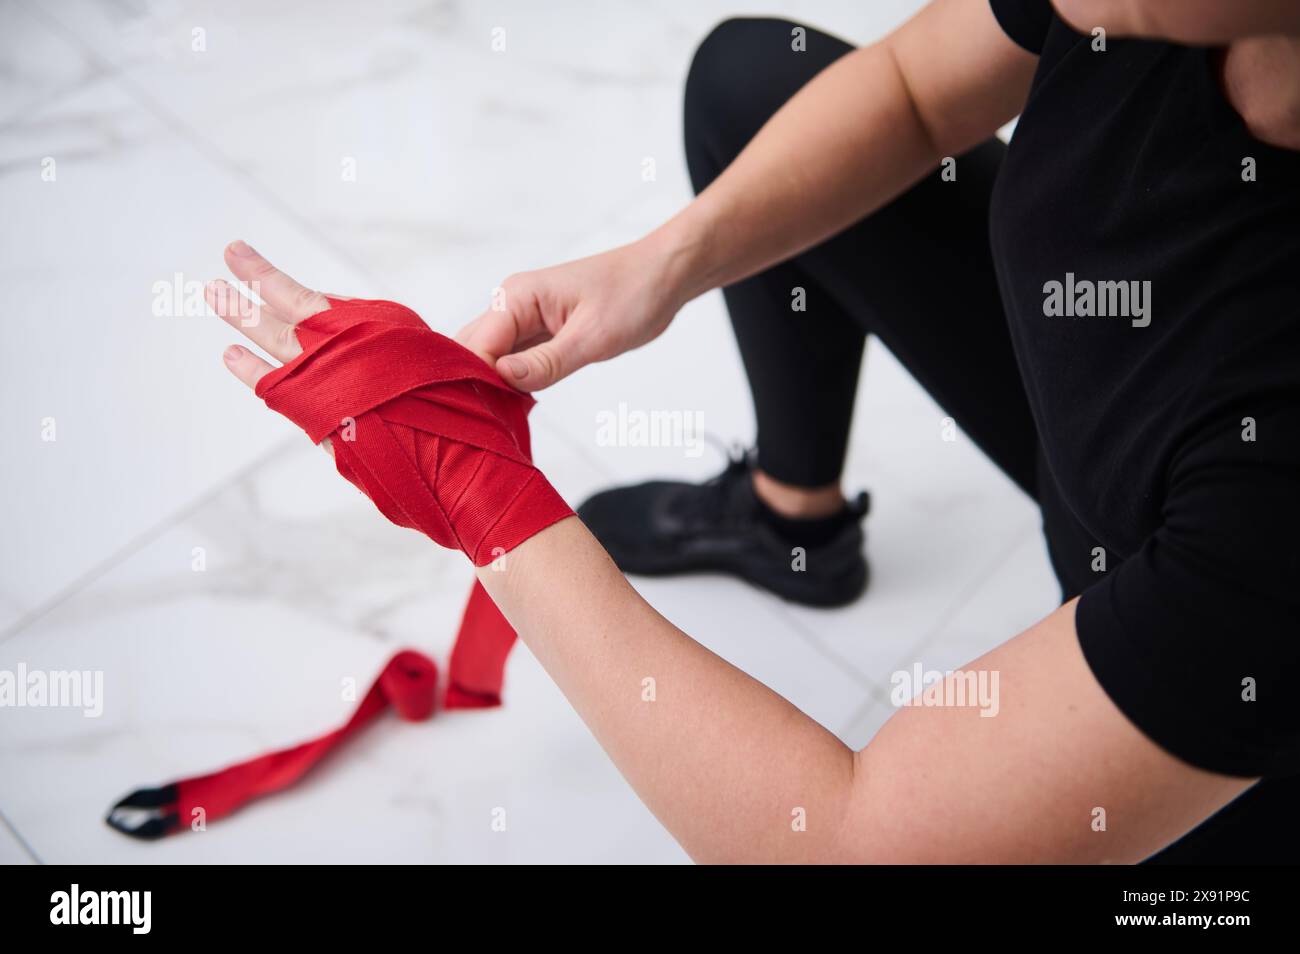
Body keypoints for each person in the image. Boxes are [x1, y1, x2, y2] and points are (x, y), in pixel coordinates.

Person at [212, 0, 1300, 862]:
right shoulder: (1157, 6)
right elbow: (915, 91)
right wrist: (661, 267)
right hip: (1130, 394)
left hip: (1221, 614)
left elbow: (844, 845)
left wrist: (475, 490)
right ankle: (797, 523)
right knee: (749, 81)